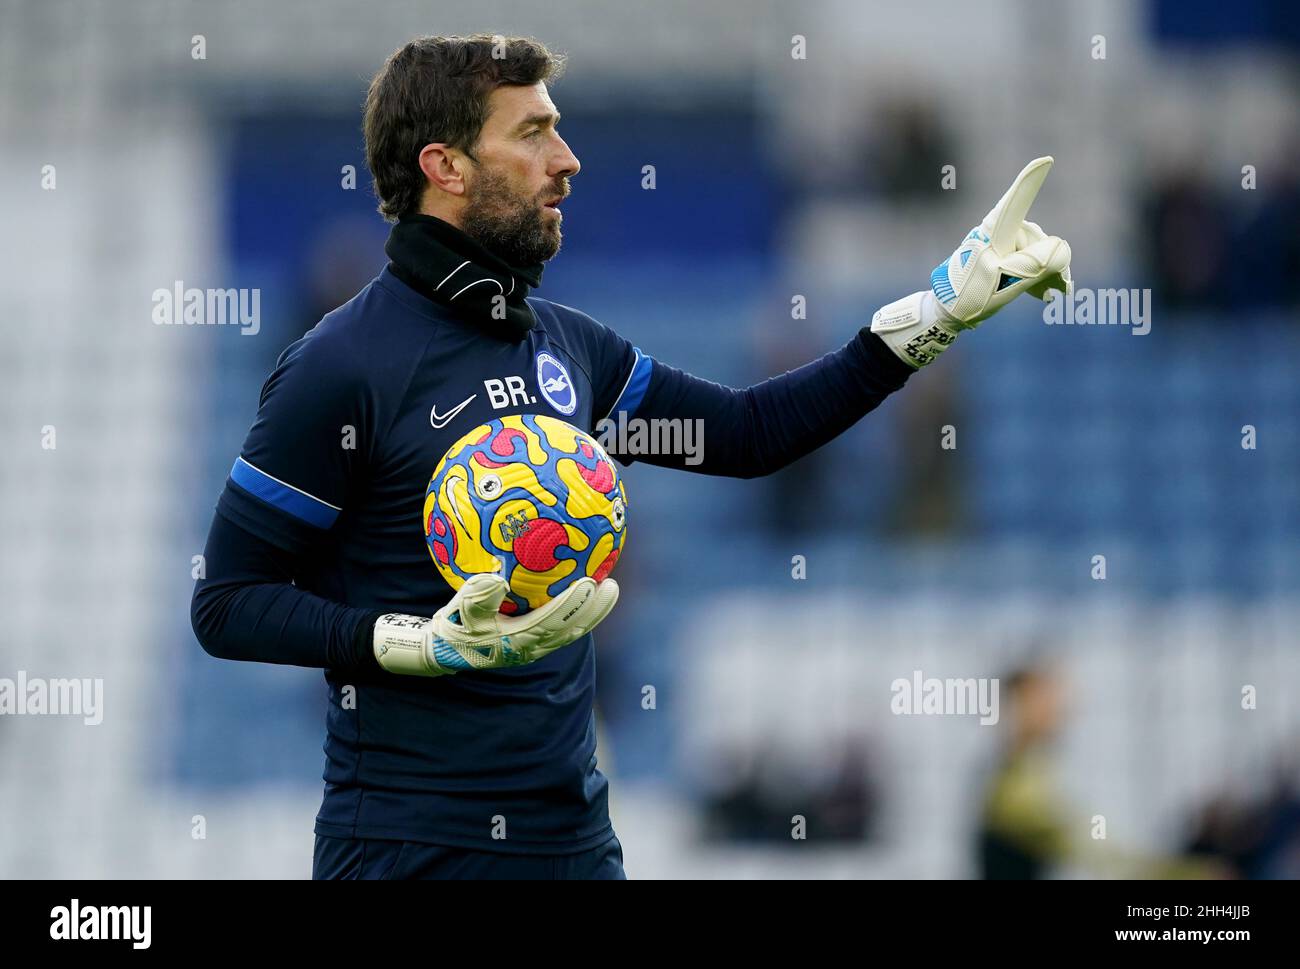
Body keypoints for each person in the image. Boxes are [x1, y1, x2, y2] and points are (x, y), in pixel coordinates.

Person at [191, 33, 1072, 880]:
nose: (567, 159)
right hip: (403, 849)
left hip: (573, 845)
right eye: (533, 133)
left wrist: (934, 315)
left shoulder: (569, 350)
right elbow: (228, 602)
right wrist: (413, 643)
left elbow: (744, 435)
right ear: (445, 166)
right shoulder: (341, 365)